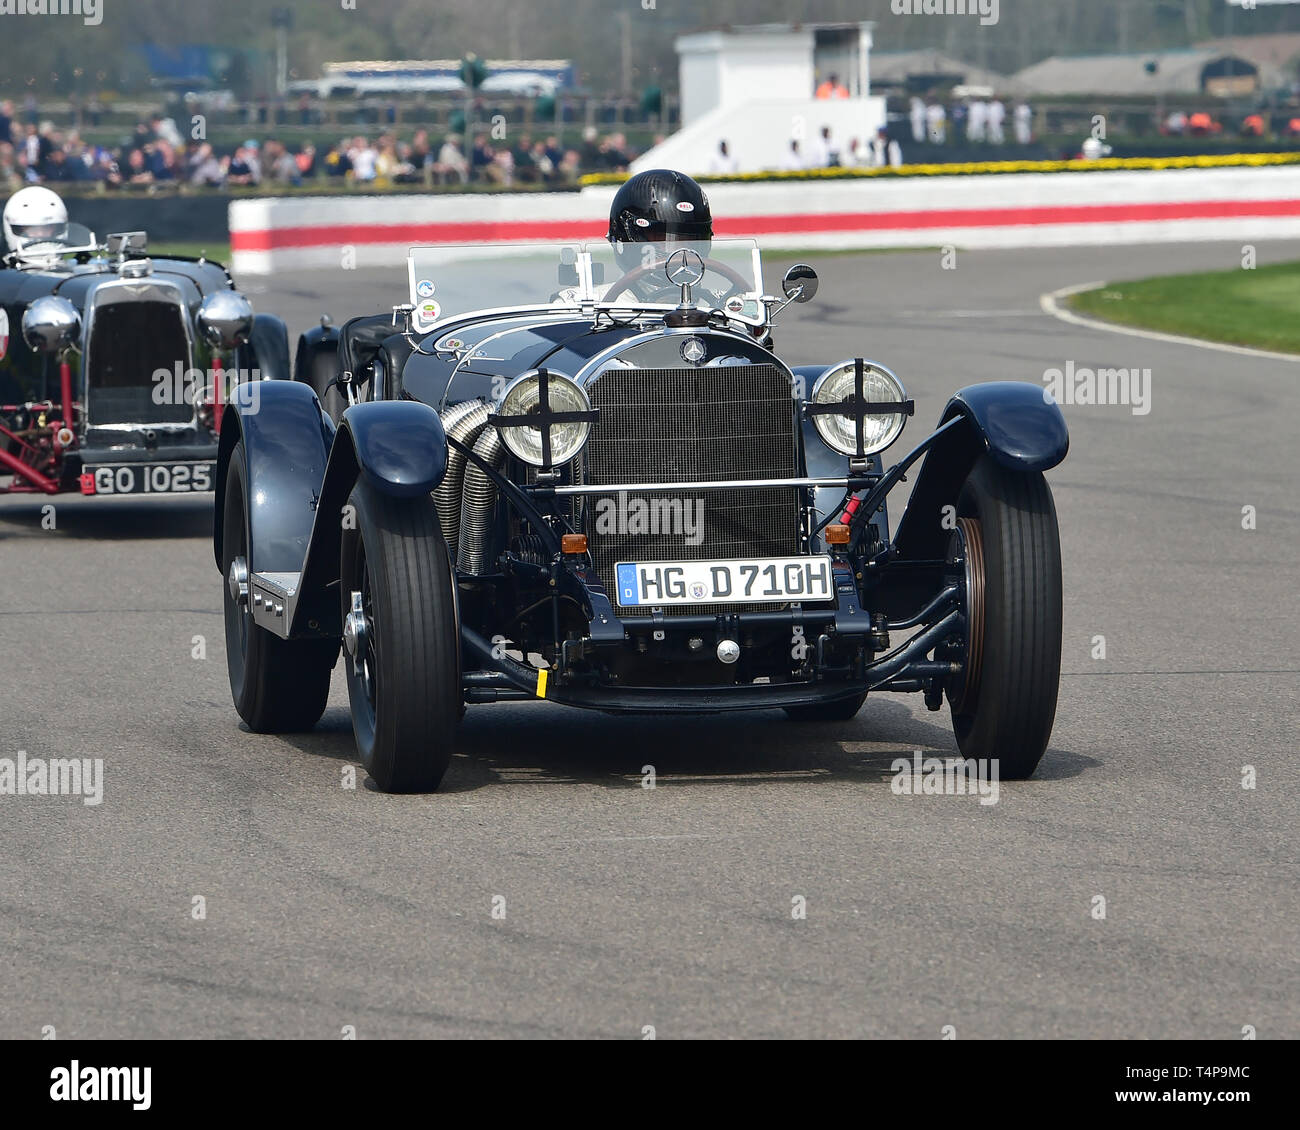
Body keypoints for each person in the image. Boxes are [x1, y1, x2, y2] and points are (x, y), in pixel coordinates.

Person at [605, 168, 718, 302]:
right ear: (625, 236)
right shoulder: (599, 307)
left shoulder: (722, 305)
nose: (680, 252)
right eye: (662, 238)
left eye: (690, 240)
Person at [3, 184, 69, 264]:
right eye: (32, 228)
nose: (40, 234)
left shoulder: (77, 266)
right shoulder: (4, 273)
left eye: (47, 228)